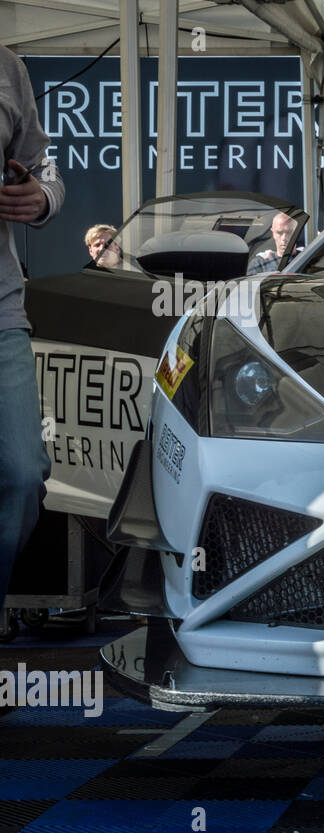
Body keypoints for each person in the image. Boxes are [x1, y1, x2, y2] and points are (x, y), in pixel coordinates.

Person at [0, 45, 65, 602]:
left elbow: (44, 168)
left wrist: (39, 195)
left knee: (23, 476)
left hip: (0, 310)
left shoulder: (8, 69)